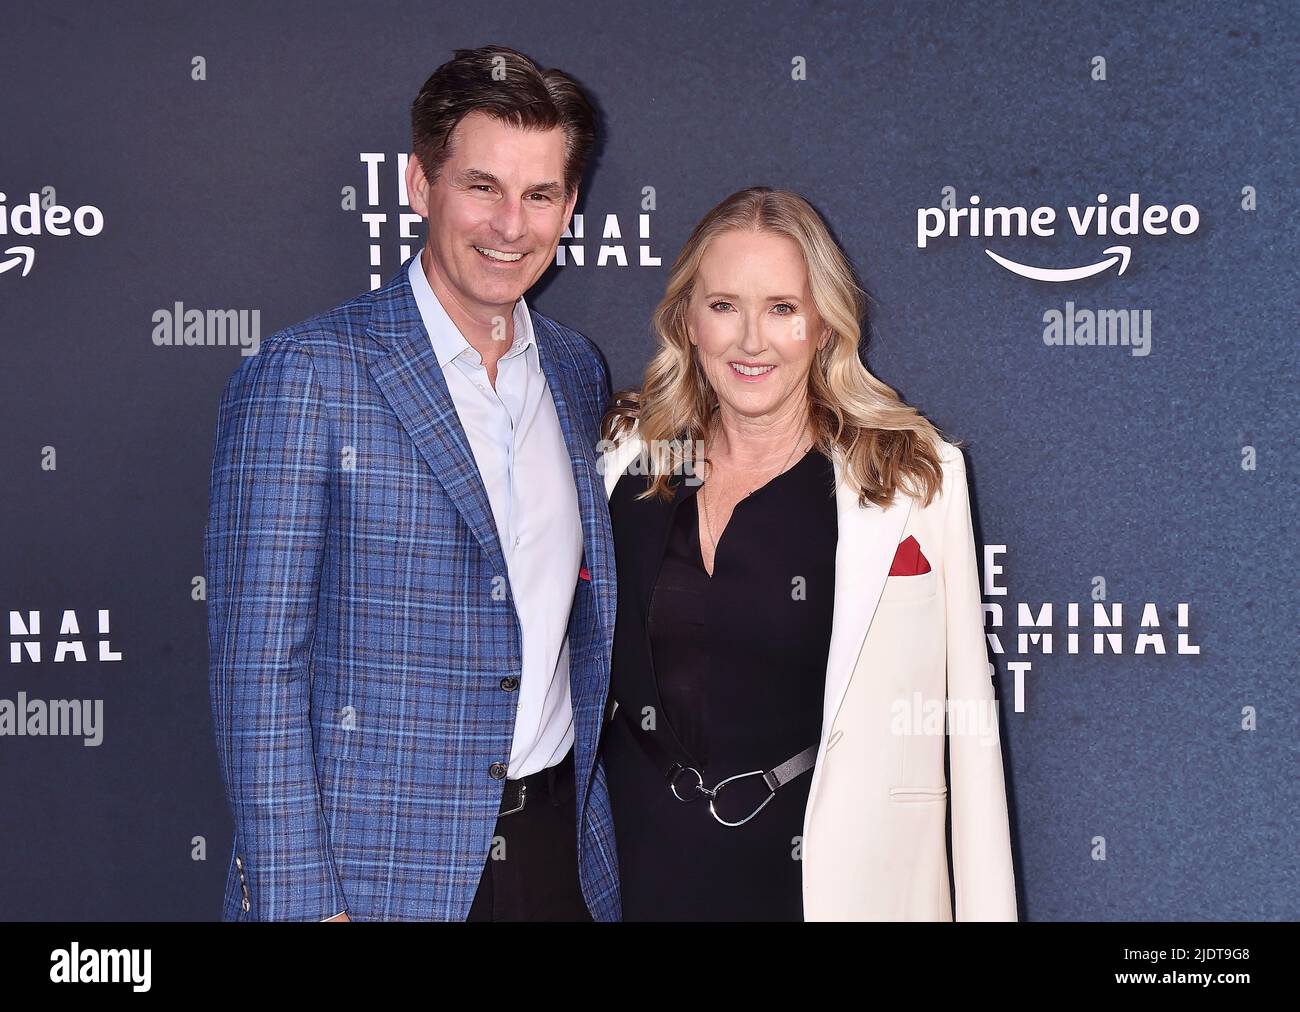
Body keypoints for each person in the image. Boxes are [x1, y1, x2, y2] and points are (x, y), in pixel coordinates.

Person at [204, 45, 620, 921]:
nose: (512, 225)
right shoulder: (307, 372)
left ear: (570, 206)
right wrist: (303, 903)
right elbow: (257, 670)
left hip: (555, 855)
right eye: (482, 186)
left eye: (540, 194)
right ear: (418, 185)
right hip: (372, 875)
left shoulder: (578, 374)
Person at [597, 186, 1017, 920]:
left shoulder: (911, 478)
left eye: (782, 309)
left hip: (830, 883)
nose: (751, 340)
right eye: (724, 305)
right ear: (687, 320)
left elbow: (966, 734)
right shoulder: (630, 458)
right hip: (639, 869)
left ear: (823, 324)